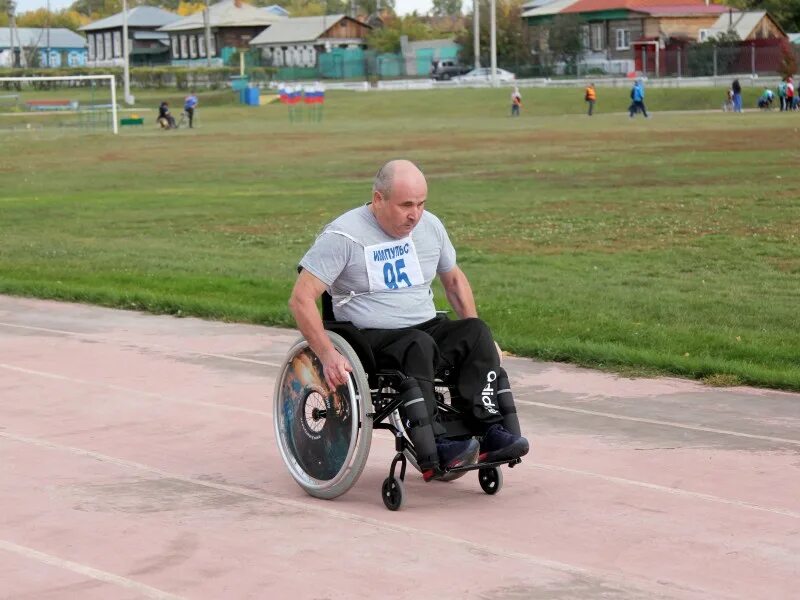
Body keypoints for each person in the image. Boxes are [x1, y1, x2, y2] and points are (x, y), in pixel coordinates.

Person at [289, 160, 530, 481]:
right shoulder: (344, 235)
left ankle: (491, 432)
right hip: (370, 337)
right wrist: (327, 354)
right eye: (405, 205)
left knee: (475, 333)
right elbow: (301, 298)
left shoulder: (430, 227)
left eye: (420, 204)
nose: (414, 214)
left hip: (423, 328)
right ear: (378, 199)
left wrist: (485, 345)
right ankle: (438, 444)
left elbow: (454, 281)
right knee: (418, 345)